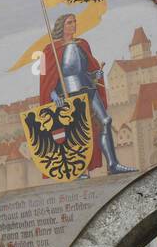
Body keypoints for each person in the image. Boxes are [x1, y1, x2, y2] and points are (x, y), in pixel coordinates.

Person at [38, 13, 136, 175]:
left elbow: (85, 69)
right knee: (77, 129)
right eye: (69, 22)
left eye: (74, 22)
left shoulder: (82, 44)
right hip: (67, 92)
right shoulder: (49, 50)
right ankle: (80, 170)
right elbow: (45, 77)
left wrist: (94, 75)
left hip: (88, 87)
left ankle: (113, 164)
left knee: (105, 120)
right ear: (61, 26)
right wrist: (53, 95)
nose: (73, 25)